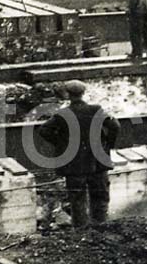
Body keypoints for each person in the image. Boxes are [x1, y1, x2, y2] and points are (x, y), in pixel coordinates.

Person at [38, 80, 119, 228]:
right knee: (100, 197)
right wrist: (107, 146)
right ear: (83, 93)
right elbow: (115, 126)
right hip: (97, 163)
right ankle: (100, 228)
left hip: (74, 165)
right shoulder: (96, 110)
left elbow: (44, 130)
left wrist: (62, 145)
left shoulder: (63, 114)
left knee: (77, 199)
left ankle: (81, 234)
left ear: (68, 95)